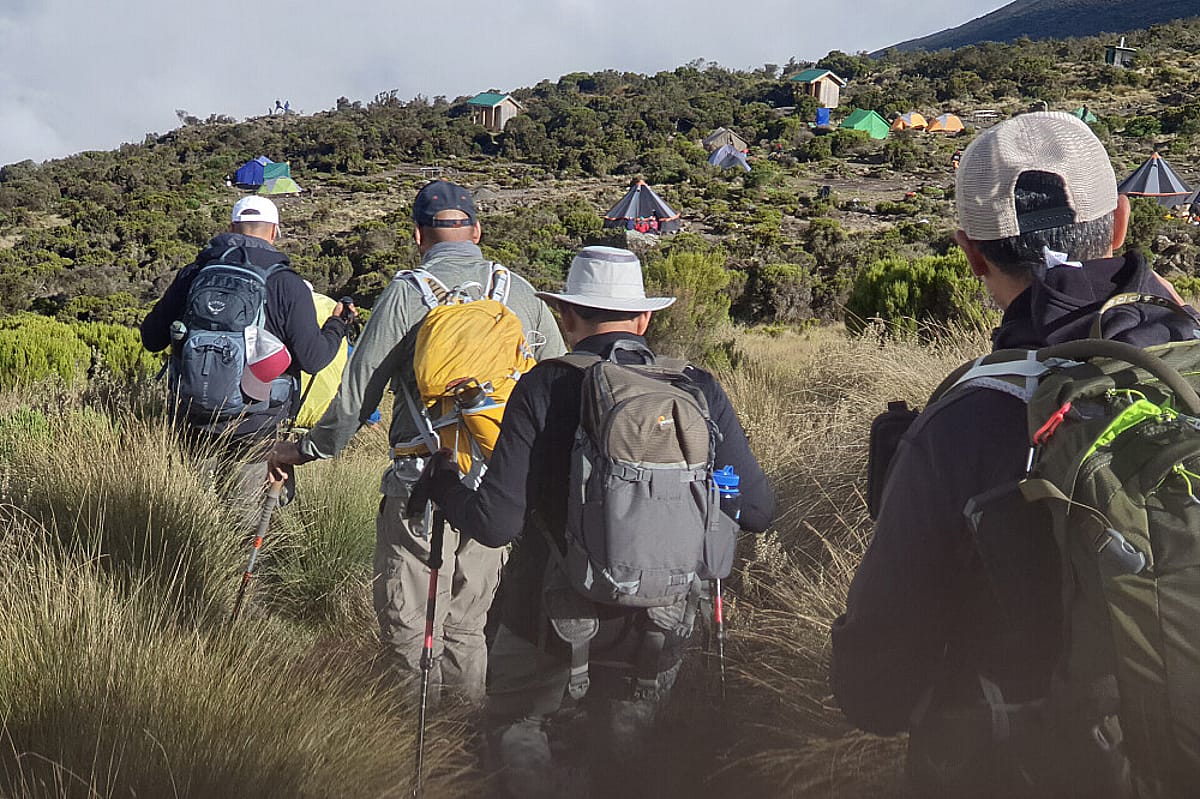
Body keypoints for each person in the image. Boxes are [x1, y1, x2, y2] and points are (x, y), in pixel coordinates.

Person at [831, 112, 1200, 797]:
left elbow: (872, 693)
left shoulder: (963, 424)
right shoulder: (1190, 375)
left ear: (971, 253)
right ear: (1121, 222)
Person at [416, 246, 775, 797]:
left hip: (547, 615)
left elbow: (494, 525)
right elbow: (756, 511)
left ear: (566, 317)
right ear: (644, 318)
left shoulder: (543, 386)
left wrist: (442, 483)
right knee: (632, 757)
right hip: (660, 617)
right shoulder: (695, 388)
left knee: (519, 726)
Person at [269, 180, 566, 704]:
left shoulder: (410, 292)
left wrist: (308, 449)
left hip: (420, 480)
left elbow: (358, 393)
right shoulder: (520, 293)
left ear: (418, 236)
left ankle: (413, 744)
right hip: (495, 484)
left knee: (410, 624)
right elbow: (554, 385)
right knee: (468, 626)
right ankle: (465, 743)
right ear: (477, 231)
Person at [141, 196, 353, 505]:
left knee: (195, 510)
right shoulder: (286, 283)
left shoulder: (194, 275)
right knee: (245, 513)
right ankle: (242, 553)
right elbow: (314, 359)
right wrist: (337, 325)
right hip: (255, 420)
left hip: (193, 413)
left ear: (231, 228)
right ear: (275, 232)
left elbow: (151, 338)